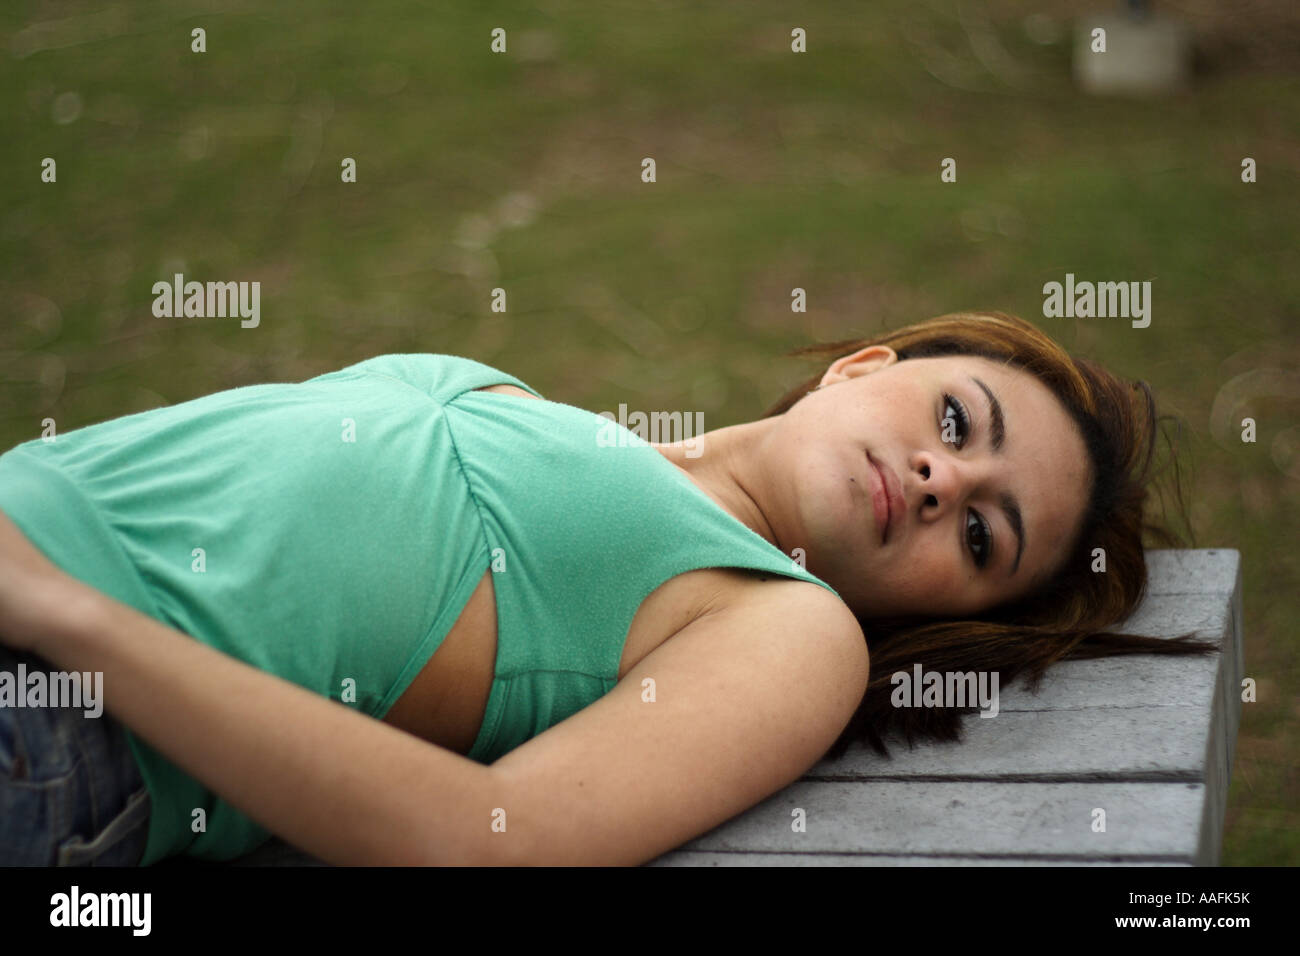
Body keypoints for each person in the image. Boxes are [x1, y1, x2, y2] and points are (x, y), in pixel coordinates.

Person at [0, 311, 1216, 866]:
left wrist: (71, 619)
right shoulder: (556, 420)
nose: (941, 477)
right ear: (862, 362)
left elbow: (484, 840)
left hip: (61, 714)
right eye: (957, 419)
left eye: (986, 536)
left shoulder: (785, 626)